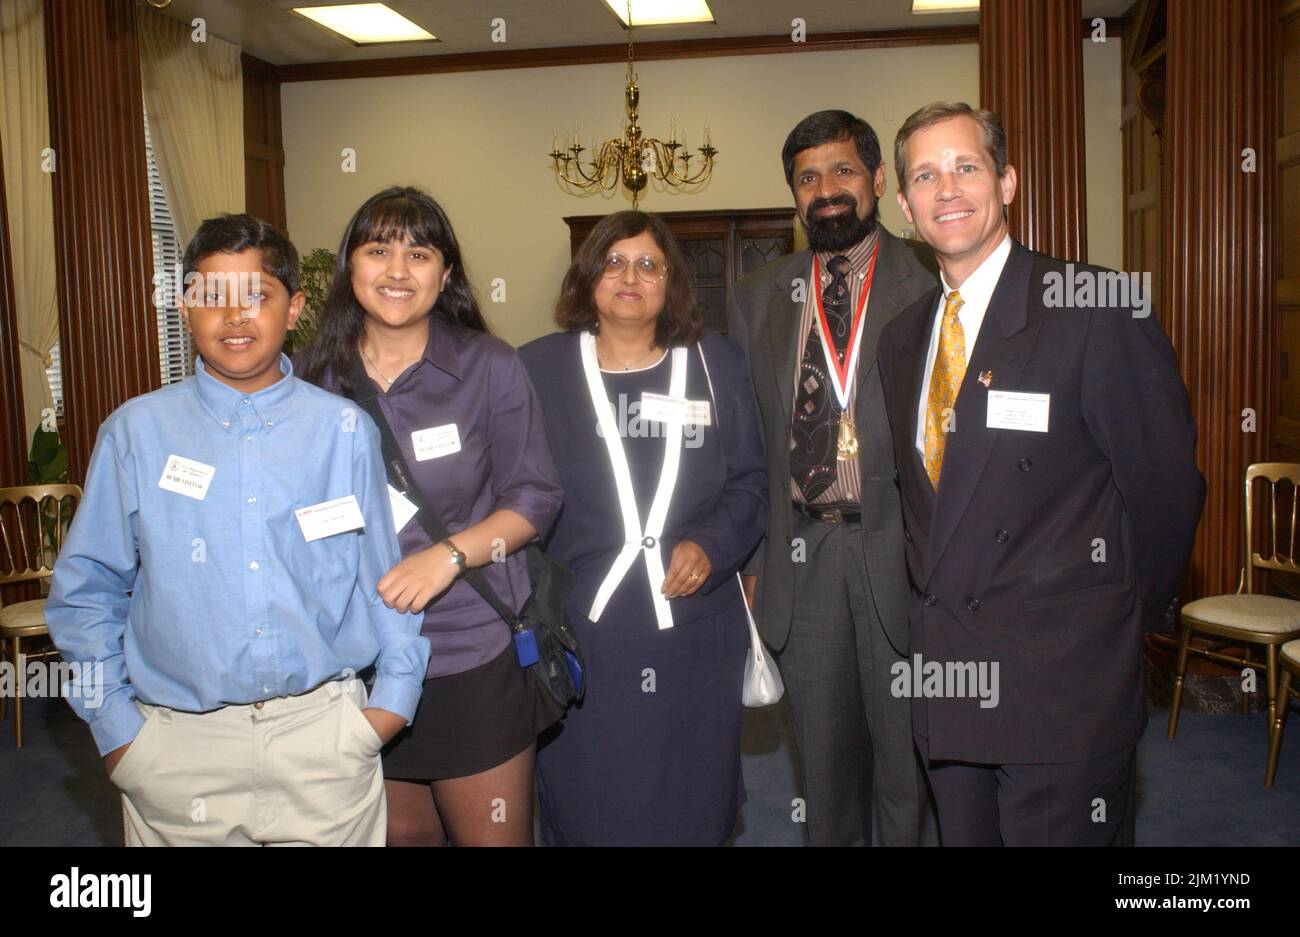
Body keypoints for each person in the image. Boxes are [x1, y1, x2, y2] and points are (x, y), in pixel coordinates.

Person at [877, 102, 1205, 845]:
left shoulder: (1095, 309)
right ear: (903, 204)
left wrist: (1111, 626)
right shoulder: (902, 342)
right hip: (950, 691)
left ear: (1008, 180)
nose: (948, 188)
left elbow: (1165, 499)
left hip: (1064, 687)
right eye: (926, 175)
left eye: (967, 166)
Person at [44, 214, 429, 846]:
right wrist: (118, 733)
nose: (235, 318)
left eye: (256, 296)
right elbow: (86, 594)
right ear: (185, 308)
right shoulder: (135, 434)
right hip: (176, 752)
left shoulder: (344, 432)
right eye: (211, 297)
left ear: (294, 307)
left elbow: (383, 580)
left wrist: (389, 705)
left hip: (324, 746)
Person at [297, 186, 564, 847]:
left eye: (419, 252)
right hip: (358, 656)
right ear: (349, 267)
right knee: (400, 839)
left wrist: (448, 556)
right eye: (377, 249)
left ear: (445, 274)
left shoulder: (489, 367)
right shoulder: (309, 379)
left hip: (469, 650)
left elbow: (535, 497)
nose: (396, 269)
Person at [518, 210, 767, 846]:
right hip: (582, 632)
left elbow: (749, 482)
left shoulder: (715, 364)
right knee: (593, 800)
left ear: (671, 281)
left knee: (689, 800)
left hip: (692, 629)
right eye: (613, 262)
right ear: (587, 278)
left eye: (649, 264)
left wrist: (712, 546)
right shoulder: (535, 370)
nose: (631, 276)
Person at [726, 110, 938, 846]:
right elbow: (747, 441)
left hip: (907, 559)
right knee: (823, 773)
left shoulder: (933, 279)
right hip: (801, 559)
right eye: (808, 178)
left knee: (909, 768)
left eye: (843, 171)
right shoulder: (758, 295)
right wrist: (751, 562)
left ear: (879, 180)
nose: (827, 191)